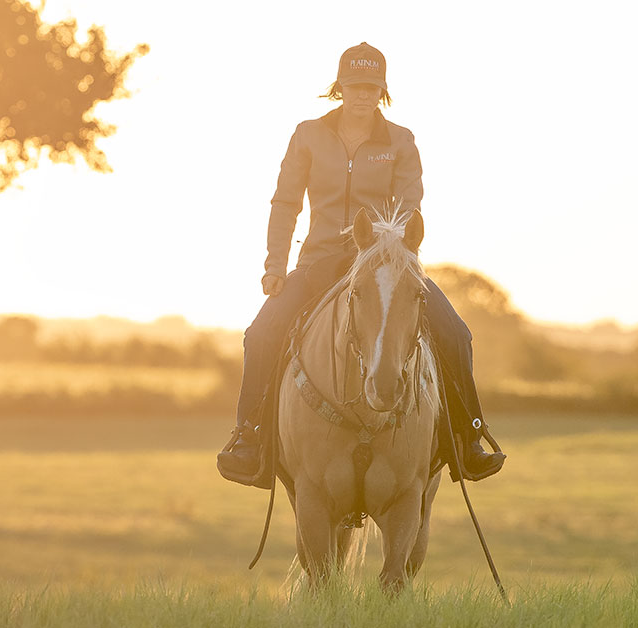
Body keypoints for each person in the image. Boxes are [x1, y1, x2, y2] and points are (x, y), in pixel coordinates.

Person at [216, 42, 505, 488]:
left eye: (371, 87)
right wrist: (275, 264)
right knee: (261, 335)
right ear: (340, 87)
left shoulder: (401, 141)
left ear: (382, 91)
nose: (362, 94)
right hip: (318, 262)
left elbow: (411, 207)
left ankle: (468, 440)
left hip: (383, 263)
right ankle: (248, 439)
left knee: (455, 334)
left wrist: (395, 253)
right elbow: (286, 202)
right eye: (354, 85)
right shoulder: (308, 134)